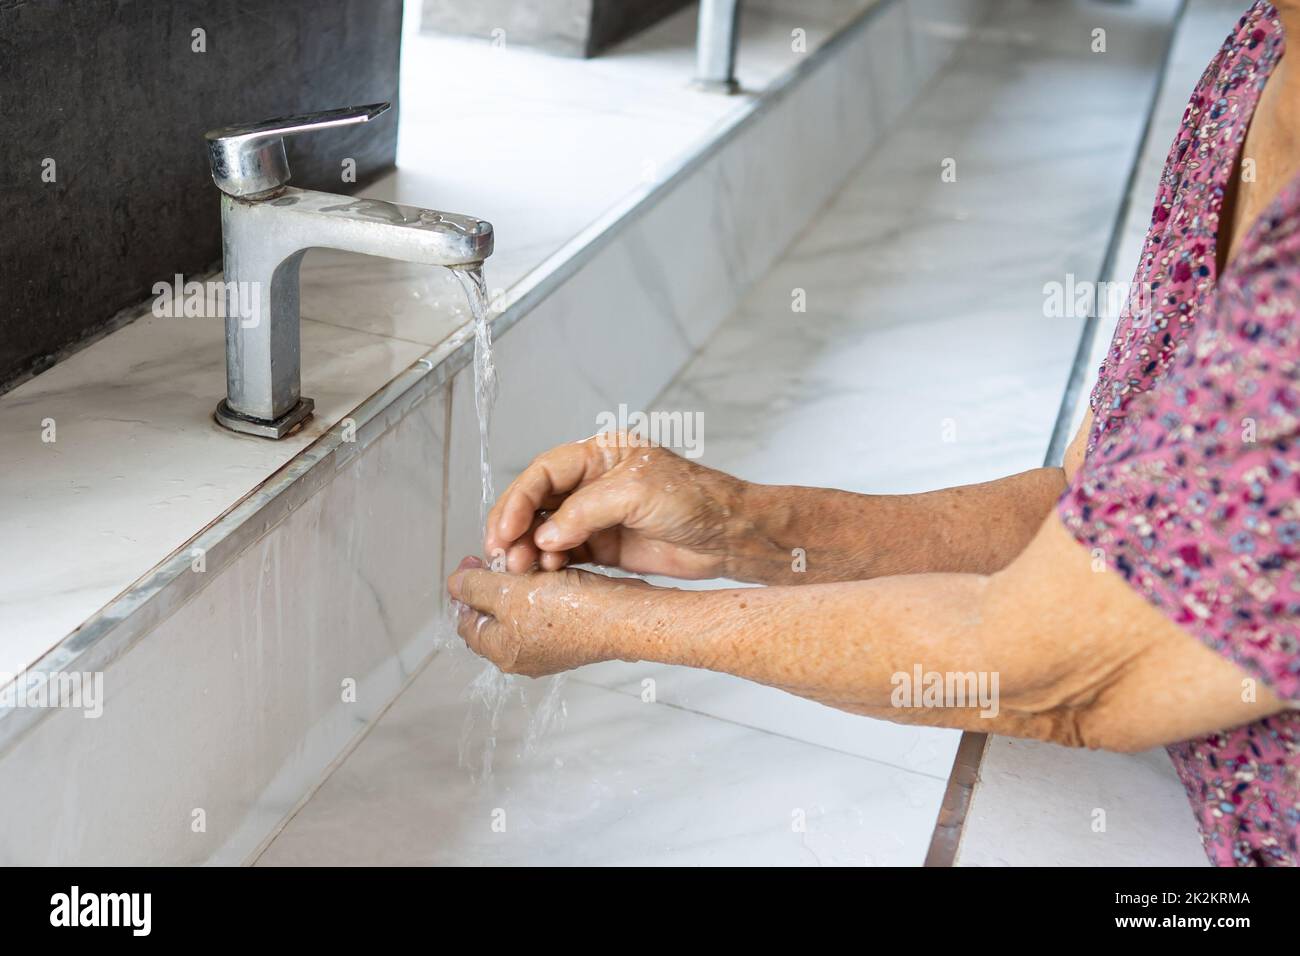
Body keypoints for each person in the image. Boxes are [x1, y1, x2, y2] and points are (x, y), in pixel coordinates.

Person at [449, 1, 1300, 866]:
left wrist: (627, 629)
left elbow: (1054, 669)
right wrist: (747, 525)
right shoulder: (1260, 57)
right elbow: (1098, 518)